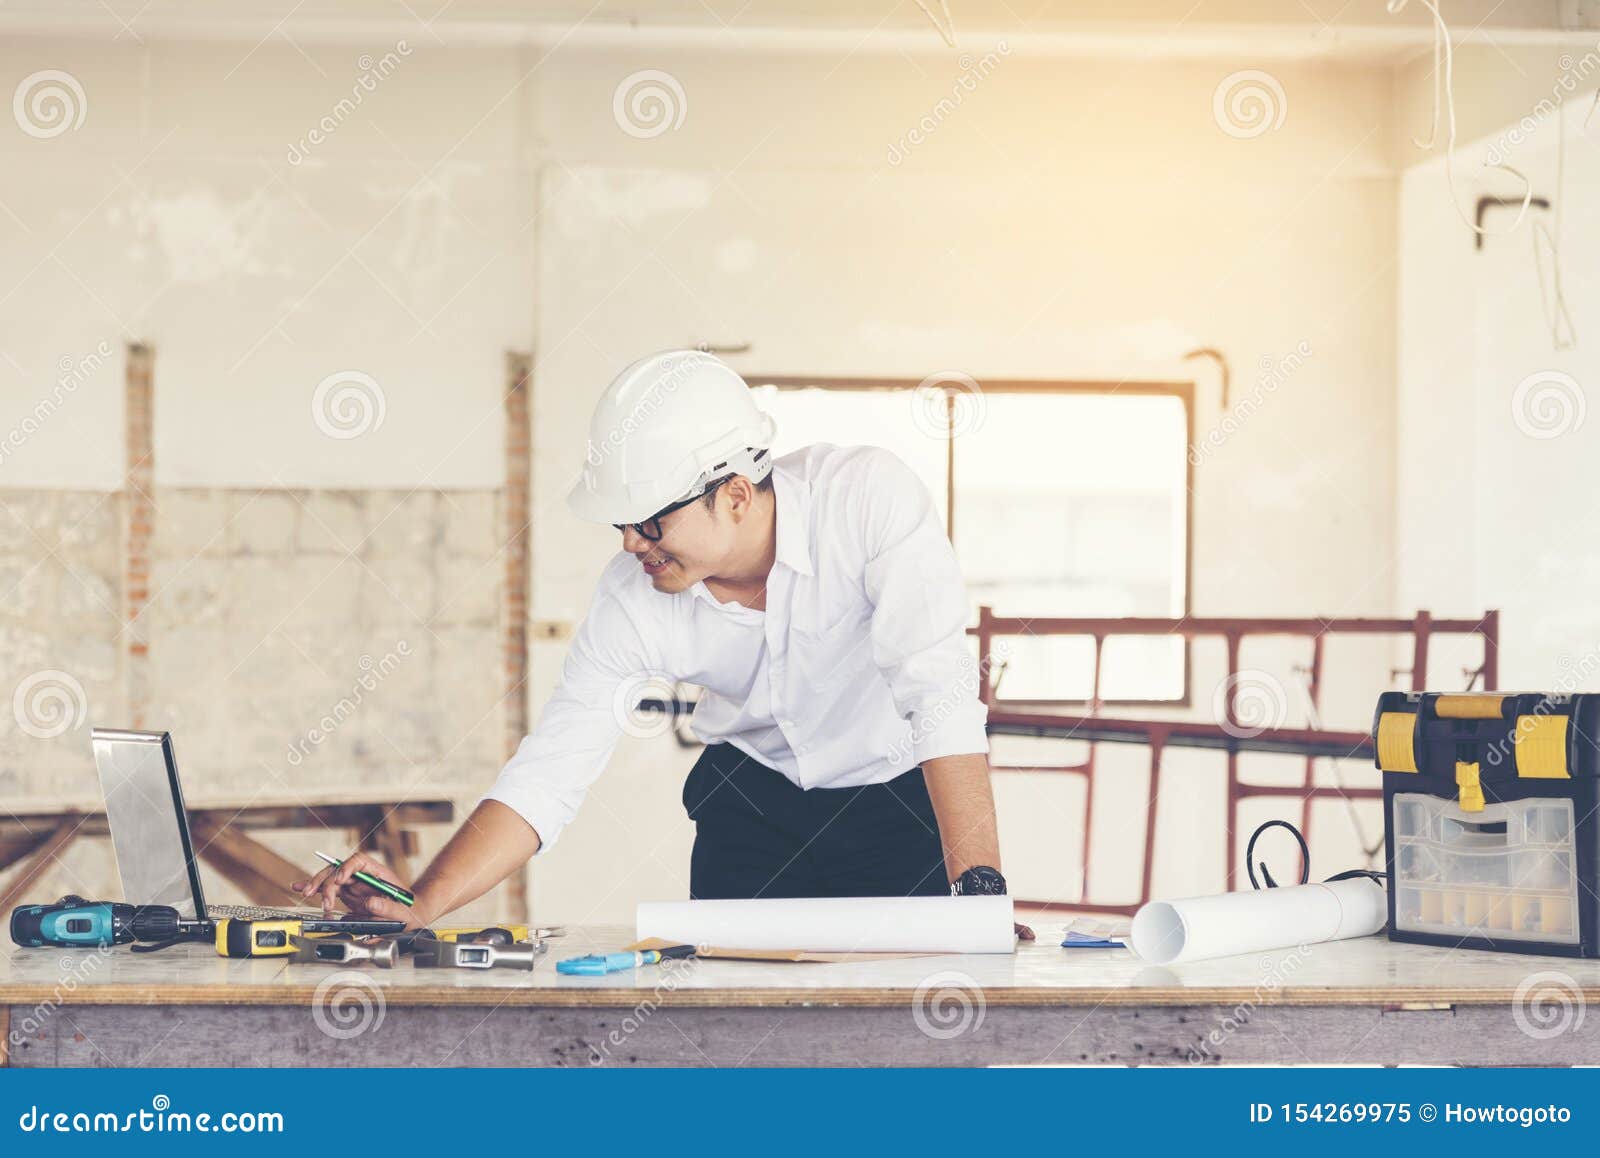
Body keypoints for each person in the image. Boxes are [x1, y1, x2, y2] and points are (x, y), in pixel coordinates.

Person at [297, 350, 1027, 935]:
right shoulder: (632, 596)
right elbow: (548, 774)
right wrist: (423, 903)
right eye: (619, 522)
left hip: (895, 806)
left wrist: (980, 890)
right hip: (751, 808)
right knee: (732, 1041)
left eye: (650, 521)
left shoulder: (868, 501)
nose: (629, 542)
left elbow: (939, 693)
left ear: (736, 494)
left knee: (909, 1040)